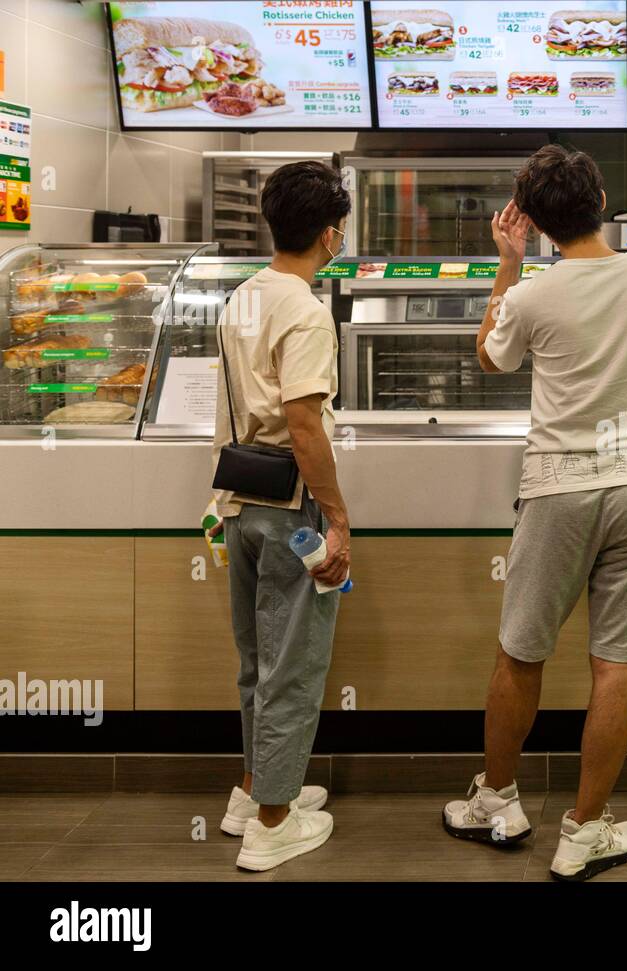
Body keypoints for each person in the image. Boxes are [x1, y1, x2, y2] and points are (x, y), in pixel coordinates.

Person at [443, 146, 627, 881]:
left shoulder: (535, 293)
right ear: (600, 196)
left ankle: (498, 801)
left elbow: (490, 359)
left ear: (531, 219)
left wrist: (509, 262)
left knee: (521, 650)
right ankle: (584, 828)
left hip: (557, 485)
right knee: (615, 662)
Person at [208, 160, 352, 872]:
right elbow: (303, 424)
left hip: (238, 501)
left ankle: (252, 790)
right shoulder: (305, 309)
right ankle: (272, 824)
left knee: (257, 660)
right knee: (293, 665)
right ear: (331, 233)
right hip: (290, 507)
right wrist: (337, 518)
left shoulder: (239, 298)